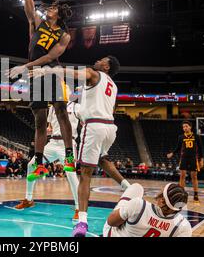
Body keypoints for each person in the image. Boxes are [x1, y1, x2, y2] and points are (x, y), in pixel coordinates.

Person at [31, 56, 131, 236]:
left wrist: (48, 70)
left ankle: (82, 222)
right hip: (110, 127)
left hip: (94, 126)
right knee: (102, 159)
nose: (98, 61)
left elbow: (73, 73)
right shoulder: (113, 86)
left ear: (106, 67)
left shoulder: (94, 73)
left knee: (85, 175)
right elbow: (96, 102)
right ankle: (127, 186)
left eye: (102, 60)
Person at [8, 0, 75, 181]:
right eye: (47, 7)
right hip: (35, 76)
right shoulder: (36, 22)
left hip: (51, 71)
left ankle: (68, 156)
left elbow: (49, 57)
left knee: (61, 111)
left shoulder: (64, 35)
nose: (47, 9)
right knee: (39, 120)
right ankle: (38, 162)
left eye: (52, 7)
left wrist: (24, 67)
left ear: (59, 12)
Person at [14, 101, 81, 220]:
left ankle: (78, 208)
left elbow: (85, 122)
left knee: (71, 174)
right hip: (53, 143)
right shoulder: (51, 108)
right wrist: (47, 131)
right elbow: (49, 127)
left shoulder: (76, 107)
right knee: (31, 165)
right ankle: (29, 199)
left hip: (68, 143)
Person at [103, 183, 191, 237]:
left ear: (162, 201)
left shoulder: (139, 205)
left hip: (112, 234)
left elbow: (111, 222)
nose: (160, 190)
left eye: (162, 190)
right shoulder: (183, 225)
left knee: (136, 188)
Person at [167, 121, 204, 203]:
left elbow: (201, 148)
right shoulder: (181, 137)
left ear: (190, 127)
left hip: (193, 158)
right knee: (182, 176)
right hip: (183, 158)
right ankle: (181, 194)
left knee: (194, 177)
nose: (185, 128)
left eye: (186, 126)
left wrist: (201, 159)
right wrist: (172, 153)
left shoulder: (196, 136)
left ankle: (196, 195)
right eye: (183, 127)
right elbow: (178, 147)